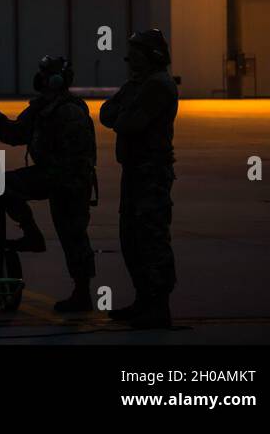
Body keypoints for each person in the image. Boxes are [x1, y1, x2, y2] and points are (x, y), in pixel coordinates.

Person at [0, 55, 97, 312]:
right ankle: (32, 235)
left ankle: (82, 293)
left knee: (73, 236)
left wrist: (3, 124)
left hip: (68, 179)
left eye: (46, 73)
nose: (42, 78)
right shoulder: (45, 106)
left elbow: (25, 136)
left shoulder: (66, 110)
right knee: (0, 184)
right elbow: (16, 134)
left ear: (56, 79)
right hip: (58, 176)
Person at [99, 28, 178, 329]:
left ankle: (158, 305)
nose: (131, 60)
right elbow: (107, 114)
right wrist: (122, 112)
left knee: (151, 238)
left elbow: (128, 123)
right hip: (134, 171)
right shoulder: (138, 84)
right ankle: (144, 300)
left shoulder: (158, 85)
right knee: (131, 238)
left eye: (137, 54)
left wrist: (122, 113)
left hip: (151, 172)